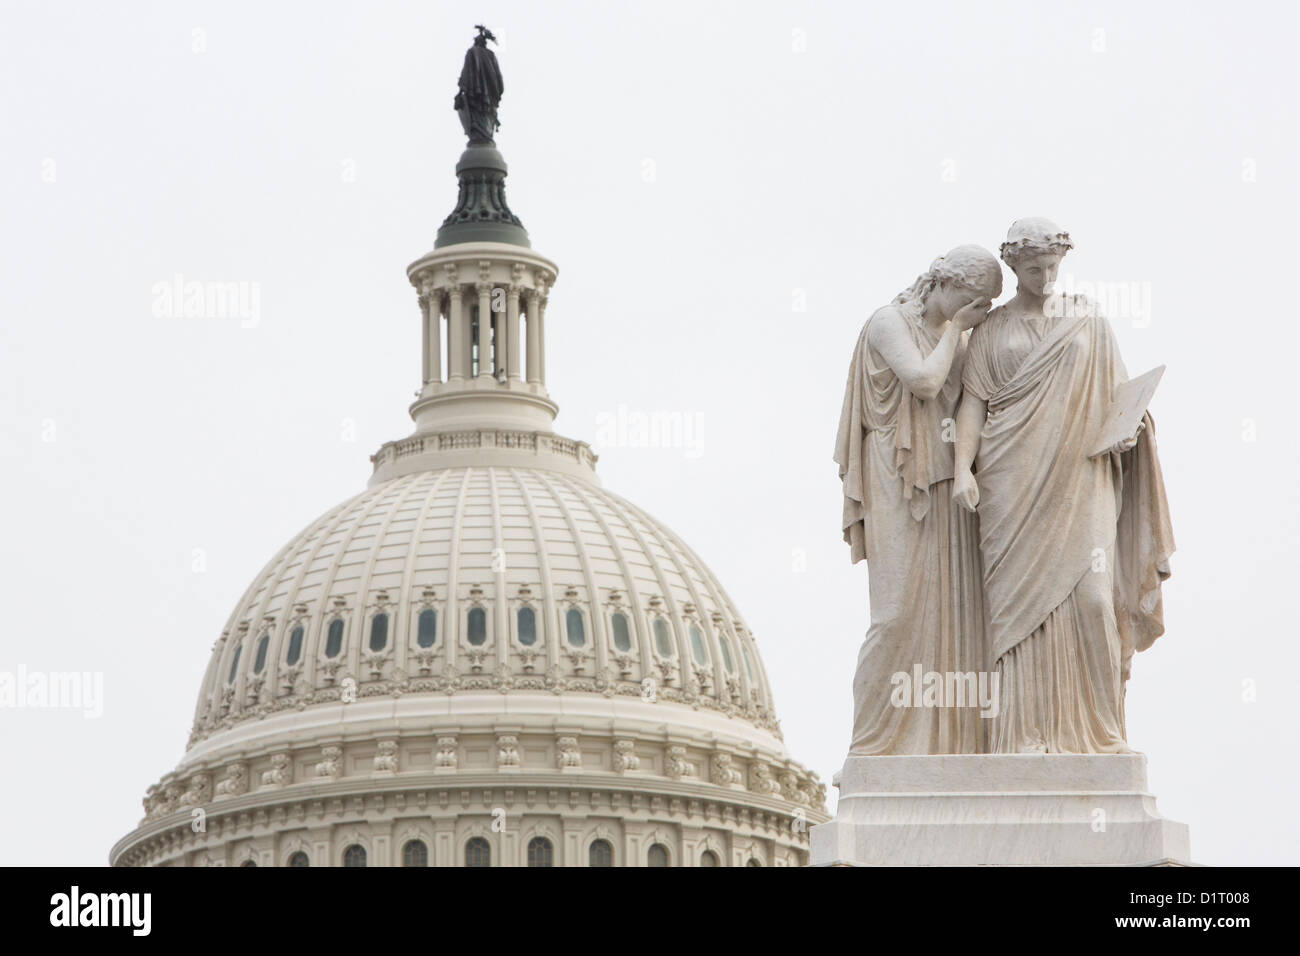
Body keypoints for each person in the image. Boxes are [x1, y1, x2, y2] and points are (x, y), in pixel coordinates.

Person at [953, 218, 1175, 754]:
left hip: (1081, 476)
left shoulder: (1087, 322)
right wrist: (962, 468)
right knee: (1015, 615)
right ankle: (1023, 735)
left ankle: (1101, 733)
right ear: (1013, 267)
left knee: (1093, 599)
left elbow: (1122, 399)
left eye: (1053, 266)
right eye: (1034, 269)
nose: (1045, 276)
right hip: (1009, 479)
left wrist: (1131, 432)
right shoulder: (991, 331)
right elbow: (972, 407)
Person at [834, 244, 1001, 755]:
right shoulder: (889, 321)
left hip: (947, 480)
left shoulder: (964, 341)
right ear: (944, 285)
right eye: (975, 301)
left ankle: (943, 744)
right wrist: (957, 330)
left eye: (988, 306)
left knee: (953, 613)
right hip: (895, 471)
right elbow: (926, 383)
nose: (980, 314)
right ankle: (873, 744)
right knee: (895, 613)